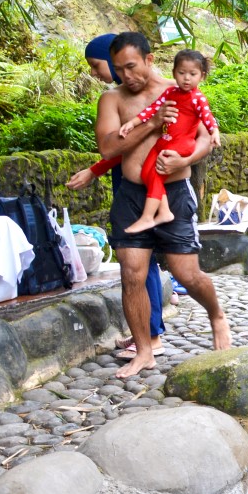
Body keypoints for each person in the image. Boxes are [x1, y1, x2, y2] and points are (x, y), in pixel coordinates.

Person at [94, 32, 231, 377]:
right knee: (132, 273)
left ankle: (216, 314)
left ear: (149, 59)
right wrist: (153, 123)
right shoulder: (112, 99)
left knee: (186, 272)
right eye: (119, 69)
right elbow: (109, 148)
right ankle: (144, 350)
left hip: (174, 192)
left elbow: (205, 139)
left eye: (132, 67)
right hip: (131, 194)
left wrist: (184, 161)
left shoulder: (181, 86)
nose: (126, 76)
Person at [70, 33, 166, 358]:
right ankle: (147, 334)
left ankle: (151, 337)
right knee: (139, 262)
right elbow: (117, 147)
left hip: (143, 187)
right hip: (128, 183)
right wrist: (96, 170)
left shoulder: (148, 97)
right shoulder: (117, 99)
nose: (95, 73)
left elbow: (132, 143)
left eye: (97, 65)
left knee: (142, 261)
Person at [103, 49, 221, 233]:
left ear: (202, 76)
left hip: (180, 144)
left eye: (192, 74)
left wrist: (214, 132)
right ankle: (164, 210)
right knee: (147, 173)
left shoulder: (197, 98)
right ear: (174, 72)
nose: (186, 78)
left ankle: (148, 216)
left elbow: (207, 117)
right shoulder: (171, 93)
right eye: (182, 73)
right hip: (165, 142)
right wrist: (132, 123)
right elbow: (152, 109)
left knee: (156, 173)